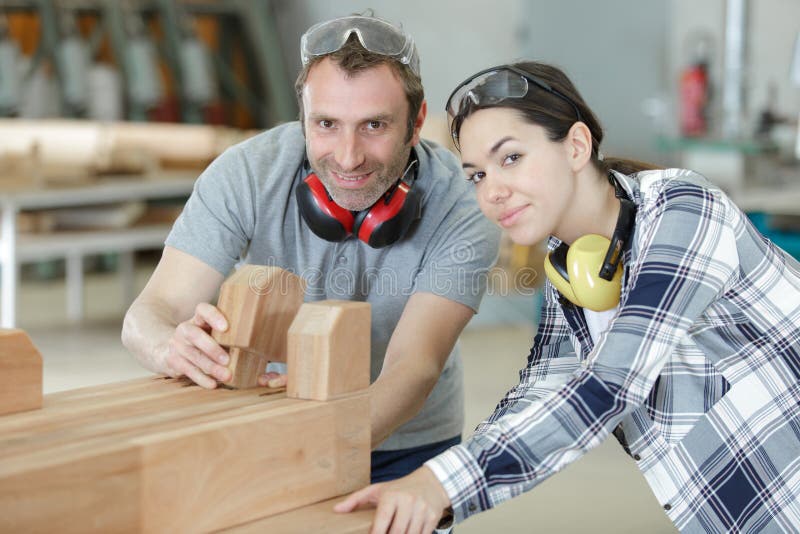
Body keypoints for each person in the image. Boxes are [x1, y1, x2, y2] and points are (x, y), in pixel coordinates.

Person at [336, 61, 800, 532]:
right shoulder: (571, 268)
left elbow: (614, 381)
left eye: (511, 157)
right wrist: (432, 494)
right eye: (476, 175)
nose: (492, 191)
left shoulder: (685, 210)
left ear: (577, 146)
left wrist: (444, 483)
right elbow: (539, 390)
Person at [120, 15, 500, 484]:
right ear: (302, 117)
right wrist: (168, 347)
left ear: (417, 122)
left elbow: (413, 368)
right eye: (326, 124)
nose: (347, 156)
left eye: (374, 125)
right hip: (270, 420)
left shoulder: (464, 202)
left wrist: (315, 446)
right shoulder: (246, 174)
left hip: (408, 441)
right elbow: (150, 312)